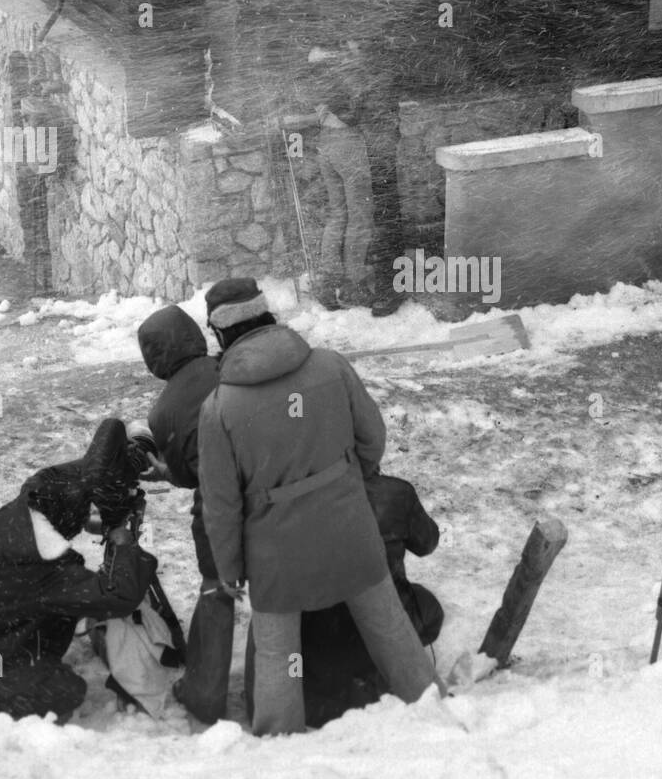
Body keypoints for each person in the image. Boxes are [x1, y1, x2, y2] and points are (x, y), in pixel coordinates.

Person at [197, 277, 440, 734]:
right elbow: (373, 439)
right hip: (349, 527)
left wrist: (229, 569)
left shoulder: (219, 408)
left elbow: (221, 504)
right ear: (267, 316)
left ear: (220, 335)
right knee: (388, 626)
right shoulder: (331, 366)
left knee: (279, 655)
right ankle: (429, 704)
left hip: (277, 554)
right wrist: (349, 479)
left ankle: (280, 738)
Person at [0, 420, 157, 720]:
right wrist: (122, 542)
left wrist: (121, 468)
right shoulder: (42, 565)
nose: (85, 518)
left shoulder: (22, 518)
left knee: (49, 620)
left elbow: (78, 478)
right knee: (62, 689)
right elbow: (117, 595)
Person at [244, 467, 444, 728]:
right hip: (372, 667)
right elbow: (427, 542)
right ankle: (387, 676)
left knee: (270, 626)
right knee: (424, 608)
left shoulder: (290, 499)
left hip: (309, 678)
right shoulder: (395, 493)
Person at [135, 301, 229, 724]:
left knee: (217, 593)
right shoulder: (231, 366)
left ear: (153, 359)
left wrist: (164, 473)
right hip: (266, 495)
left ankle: (205, 692)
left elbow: (191, 474)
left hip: (216, 510)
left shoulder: (163, 412)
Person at [309, 47, 404, 316]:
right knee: (360, 217)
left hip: (325, 142)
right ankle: (354, 285)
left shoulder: (319, 72)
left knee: (338, 214)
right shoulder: (346, 72)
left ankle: (327, 281)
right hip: (348, 144)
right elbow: (353, 111)